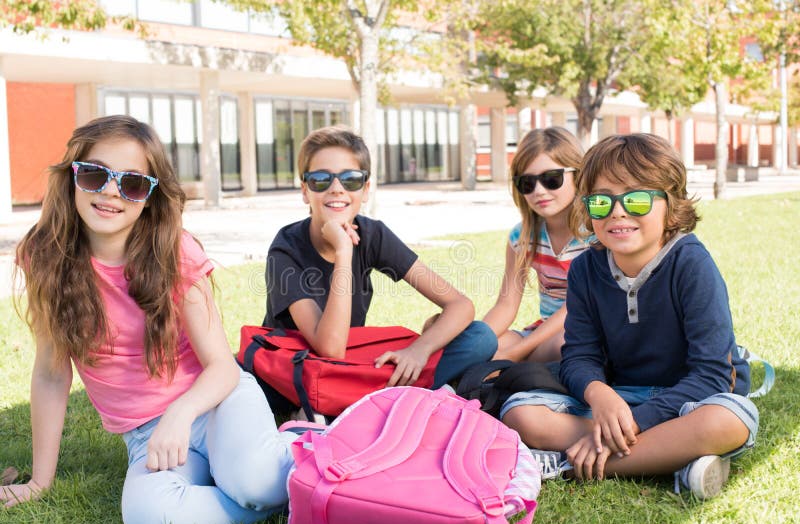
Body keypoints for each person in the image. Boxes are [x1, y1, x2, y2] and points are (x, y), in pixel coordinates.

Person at [1, 116, 297, 524]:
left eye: (133, 183)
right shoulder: (43, 256)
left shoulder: (176, 253)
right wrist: (39, 481)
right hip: (147, 437)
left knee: (257, 481)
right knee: (150, 517)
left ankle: (297, 448)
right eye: (94, 174)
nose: (110, 191)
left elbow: (223, 367)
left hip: (216, 403)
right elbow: (51, 373)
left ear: (150, 197)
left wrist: (181, 412)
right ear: (72, 175)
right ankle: (266, 488)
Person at [500, 133, 759, 499]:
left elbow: (712, 375)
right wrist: (599, 394)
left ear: (670, 204)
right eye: (601, 202)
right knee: (520, 414)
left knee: (730, 421)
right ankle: (671, 459)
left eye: (636, 199)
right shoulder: (586, 269)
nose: (618, 212)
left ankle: (573, 464)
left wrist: (635, 422)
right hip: (619, 397)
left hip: (689, 398)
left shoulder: (691, 264)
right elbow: (579, 357)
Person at [263, 126, 496, 394]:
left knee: (480, 337)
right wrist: (343, 252)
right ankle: (383, 394)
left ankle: (369, 394)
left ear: (366, 189)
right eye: (320, 179)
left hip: (353, 363)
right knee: (260, 382)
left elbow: (460, 305)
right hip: (301, 365)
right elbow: (329, 346)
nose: (337, 189)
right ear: (305, 191)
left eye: (350, 179)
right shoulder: (285, 250)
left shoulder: (373, 234)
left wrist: (418, 351)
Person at [483, 127, 594, 363]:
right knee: (489, 347)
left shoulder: (596, 234)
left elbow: (574, 308)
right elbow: (506, 304)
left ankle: (517, 365)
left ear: (579, 175)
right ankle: (519, 365)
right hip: (543, 333)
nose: (539, 191)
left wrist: (516, 353)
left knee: (562, 345)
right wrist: (473, 341)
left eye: (551, 178)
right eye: (527, 183)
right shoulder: (522, 237)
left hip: (587, 333)